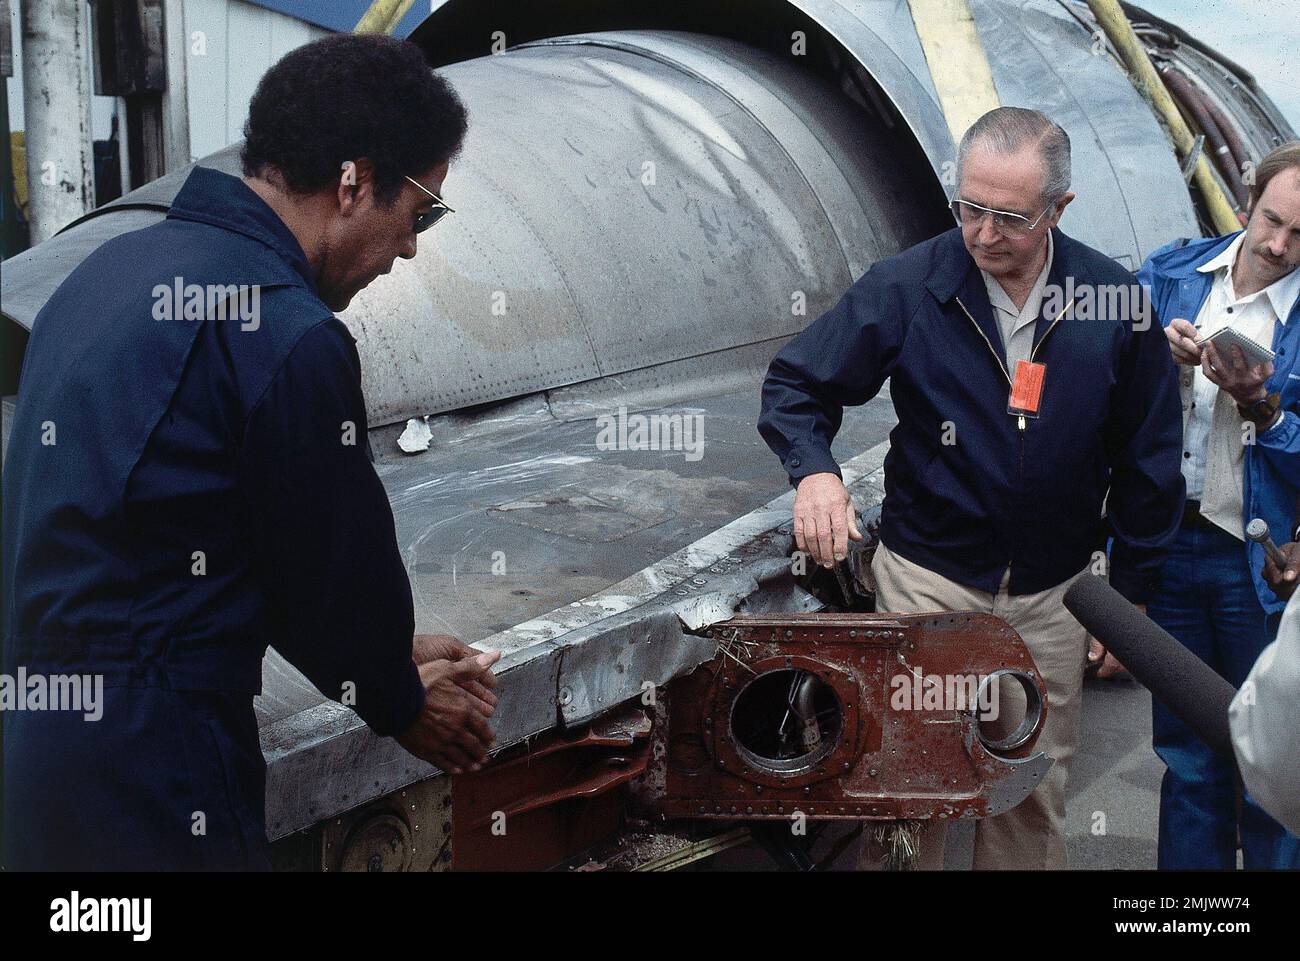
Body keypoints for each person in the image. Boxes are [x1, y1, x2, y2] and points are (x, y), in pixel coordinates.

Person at [1, 34, 499, 871]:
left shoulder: (99, 281)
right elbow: (330, 562)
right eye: (420, 213)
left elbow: (174, 536)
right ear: (354, 180)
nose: (411, 248)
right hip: (156, 780)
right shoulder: (286, 335)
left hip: (36, 773)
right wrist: (401, 696)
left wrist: (390, 652)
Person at [758, 106, 1184, 869]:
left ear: (1059, 209)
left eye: (1010, 217)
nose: (983, 234)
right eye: (970, 207)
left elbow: (1151, 461)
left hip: (1053, 599)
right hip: (927, 582)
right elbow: (795, 384)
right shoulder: (910, 284)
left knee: (1027, 794)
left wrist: (1132, 595)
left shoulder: (1114, 304)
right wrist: (815, 471)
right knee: (907, 792)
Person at [1138, 140, 1300, 870]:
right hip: (1172, 548)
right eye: (1272, 220)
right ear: (1246, 202)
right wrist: (1149, 350)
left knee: (1272, 773)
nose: (1278, 244)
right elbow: (1094, 377)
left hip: (1259, 565)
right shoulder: (1172, 273)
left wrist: (1264, 408)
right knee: (1191, 760)